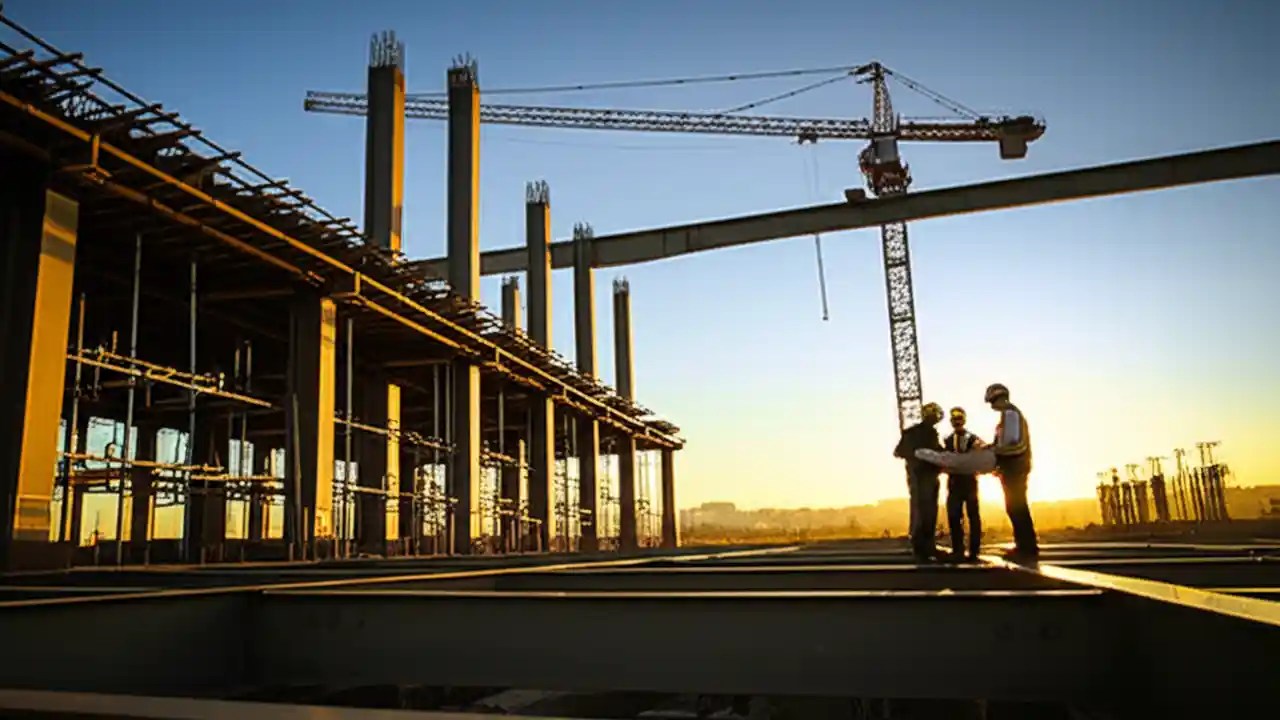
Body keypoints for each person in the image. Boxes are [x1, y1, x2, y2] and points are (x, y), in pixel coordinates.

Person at [985, 383, 1039, 561]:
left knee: (1017, 507)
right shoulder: (1006, 416)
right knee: (1014, 507)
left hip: (1015, 468)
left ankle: (1027, 547)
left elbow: (1012, 445)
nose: (991, 406)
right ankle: (1023, 545)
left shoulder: (1010, 415)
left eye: (992, 401)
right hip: (1010, 468)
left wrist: (994, 453)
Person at [894, 402, 944, 562]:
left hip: (916, 476)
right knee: (927, 510)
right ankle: (925, 546)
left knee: (919, 508)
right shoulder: (929, 433)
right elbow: (937, 452)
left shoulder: (911, 432)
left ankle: (921, 545)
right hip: (925, 476)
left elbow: (898, 452)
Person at [943, 407, 983, 562]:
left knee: (973, 515)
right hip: (954, 481)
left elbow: (980, 453)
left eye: (959, 419)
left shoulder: (973, 439)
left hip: (969, 480)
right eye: (954, 420)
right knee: (954, 516)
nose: (957, 422)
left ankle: (974, 550)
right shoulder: (947, 440)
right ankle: (957, 549)